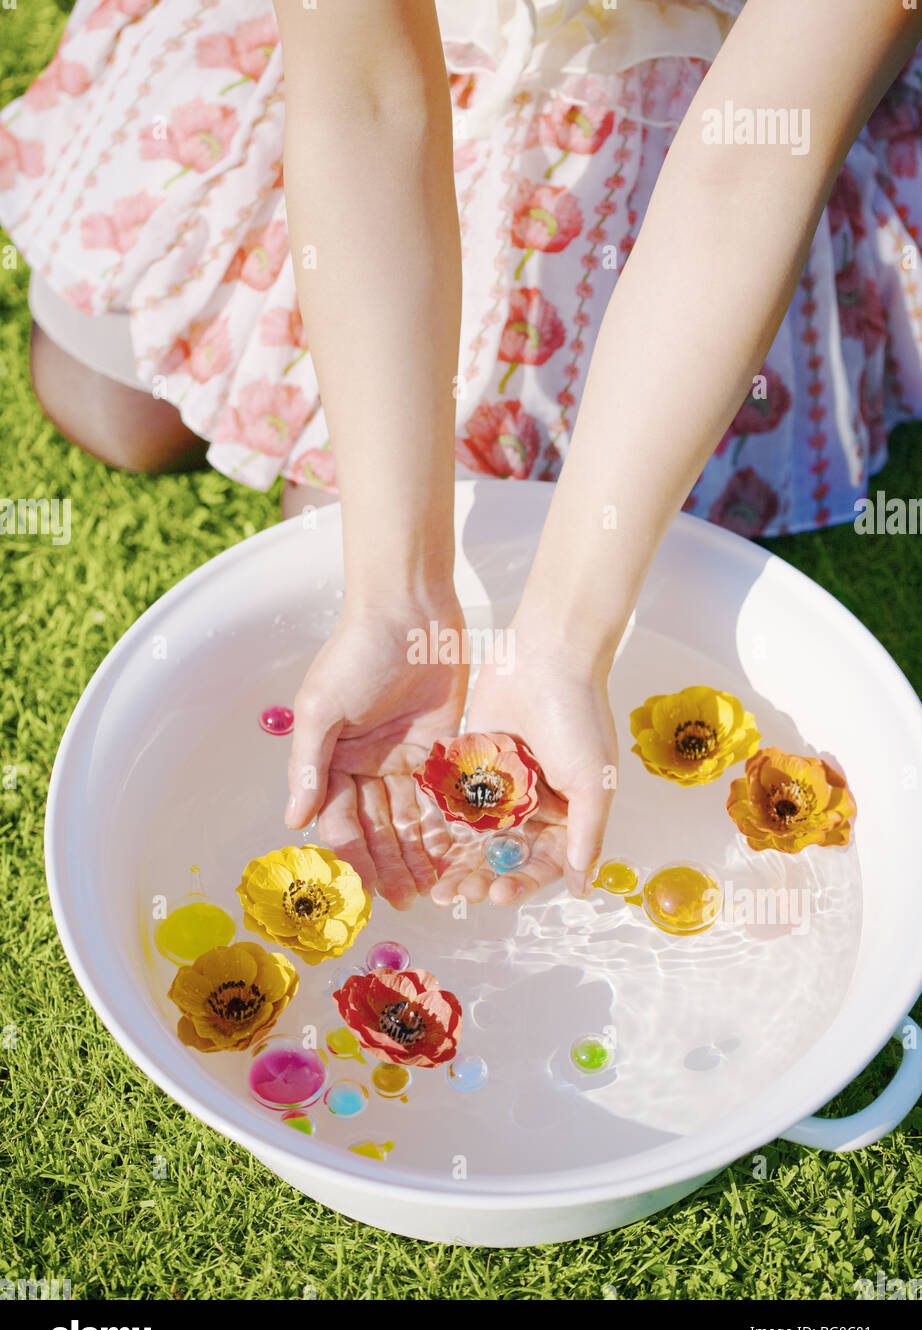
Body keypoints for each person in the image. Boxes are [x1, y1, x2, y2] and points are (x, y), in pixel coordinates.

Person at [3, 0, 921, 907]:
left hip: (701, 101)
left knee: (350, 519)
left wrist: (563, 643)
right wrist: (393, 596)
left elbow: (748, 170)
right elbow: (363, 95)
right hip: (405, 50)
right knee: (105, 406)